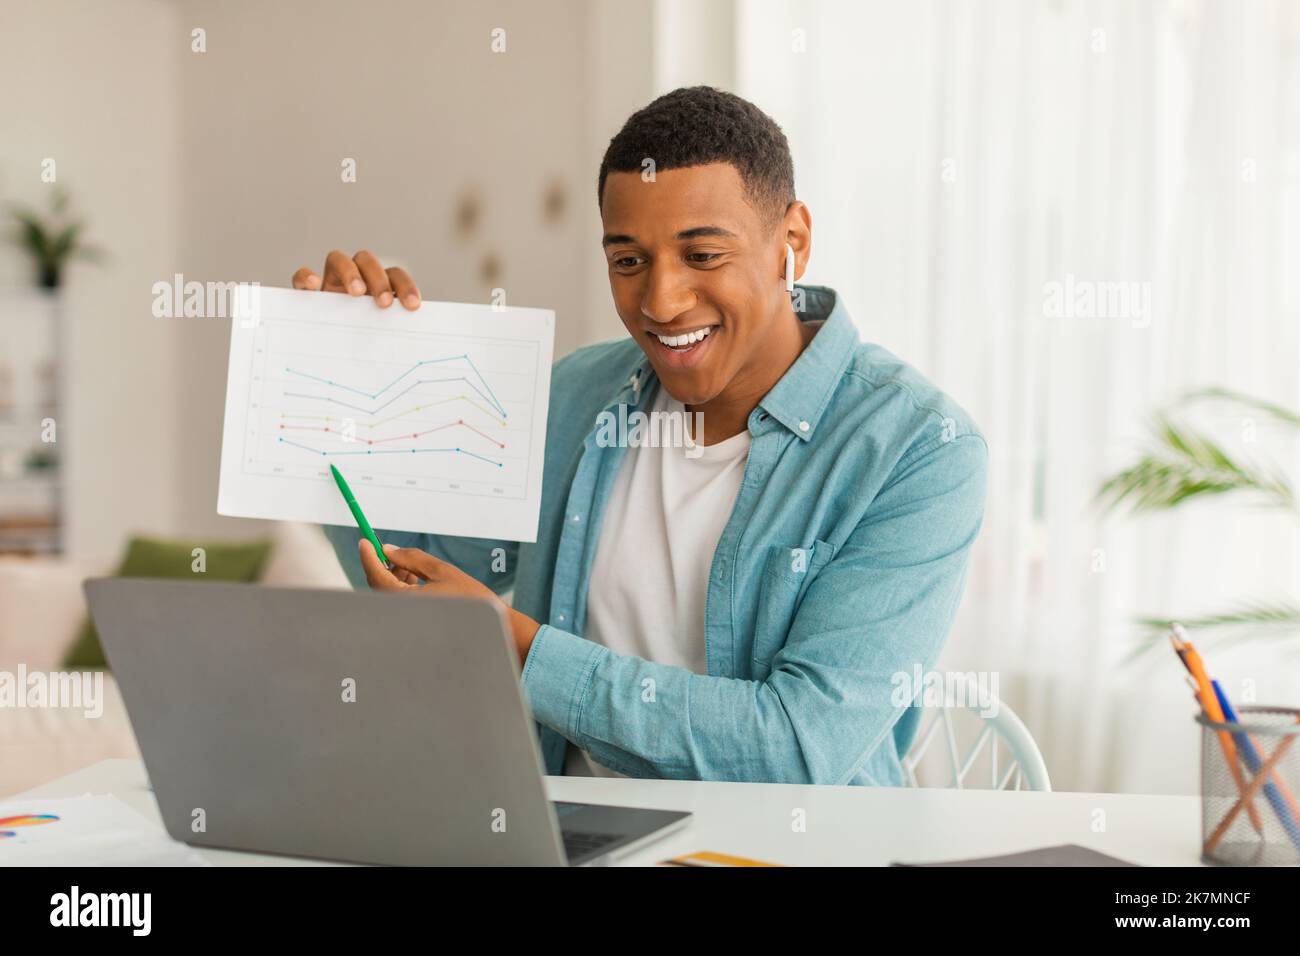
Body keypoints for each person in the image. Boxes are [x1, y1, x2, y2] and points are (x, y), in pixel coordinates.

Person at [295, 86, 987, 785]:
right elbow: (406, 568)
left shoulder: (919, 449)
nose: (660, 301)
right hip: (571, 841)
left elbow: (798, 747)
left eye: (703, 256)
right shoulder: (575, 395)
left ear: (792, 243)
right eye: (629, 261)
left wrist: (523, 651)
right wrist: (343, 380)